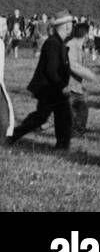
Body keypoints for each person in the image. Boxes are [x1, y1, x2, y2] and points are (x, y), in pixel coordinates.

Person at [7, 9, 75, 150]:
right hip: (50, 89)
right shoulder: (53, 43)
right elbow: (50, 69)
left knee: (58, 116)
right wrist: (62, 86)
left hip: (53, 88)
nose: (72, 27)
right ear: (66, 26)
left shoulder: (58, 42)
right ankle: (12, 135)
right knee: (44, 117)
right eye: (71, 24)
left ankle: (62, 146)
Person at [66, 22, 97, 137]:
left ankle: (78, 130)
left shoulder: (78, 46)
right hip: (68, 85)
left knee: (81, 107)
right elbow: (72, 65)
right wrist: (88, 74)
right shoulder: (71, 46)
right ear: (86, 35)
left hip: (75, 85)